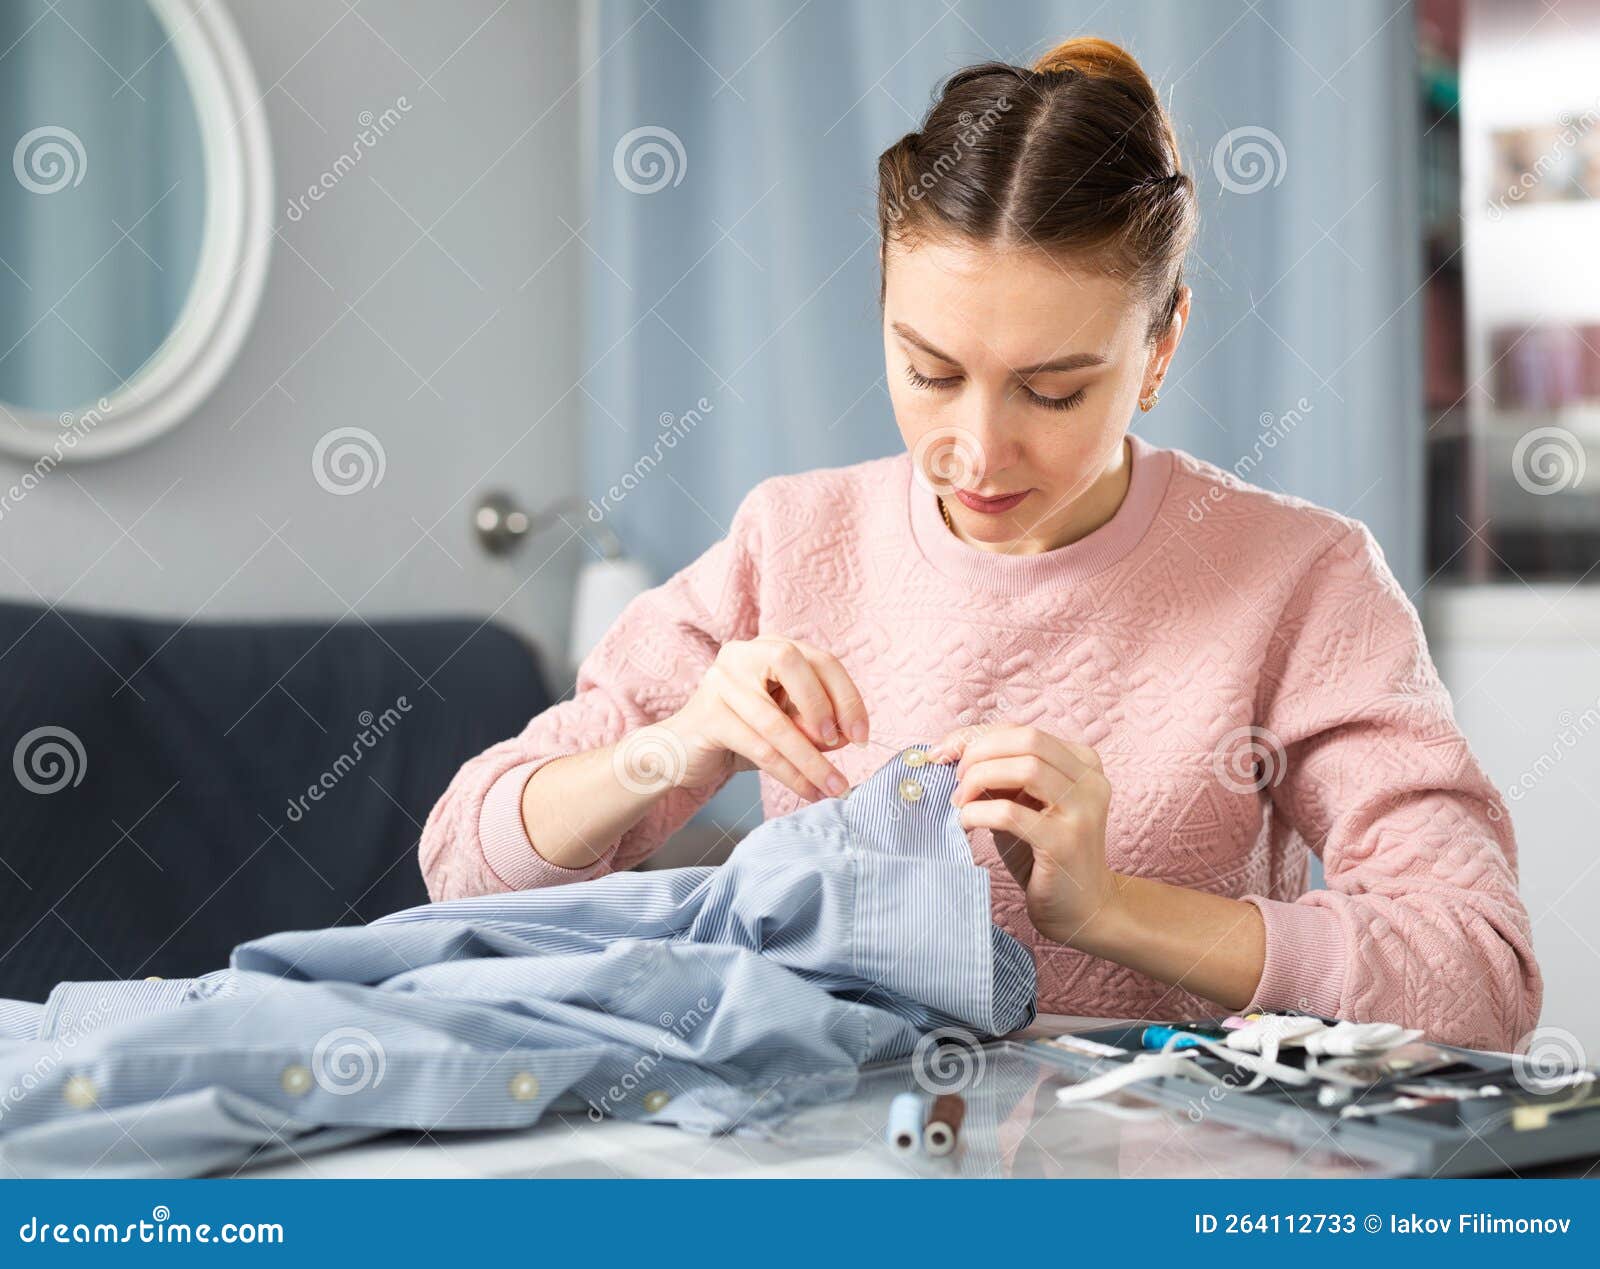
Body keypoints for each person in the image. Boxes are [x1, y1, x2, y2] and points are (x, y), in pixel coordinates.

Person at [419, 36, 1541, 1050]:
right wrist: (678, 743)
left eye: (1053, 391)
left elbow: (1476, 971)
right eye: (930, 371)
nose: (977, 452)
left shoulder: (1300, 579)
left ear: (1159, 347)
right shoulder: (790, 541)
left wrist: (1111, 913)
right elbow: (464, 871)